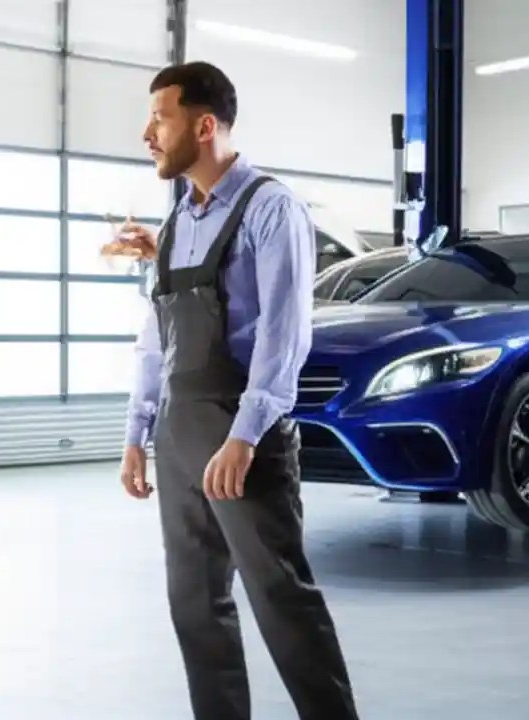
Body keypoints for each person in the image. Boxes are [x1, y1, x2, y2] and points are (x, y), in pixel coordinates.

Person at [117, 62, 360, 720]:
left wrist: (245, 436)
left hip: (240, 438)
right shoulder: (175, 225)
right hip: (178, 437)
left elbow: (285, 337)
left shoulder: (270, 209)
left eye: (159, 118)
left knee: (281, 600)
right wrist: (136, 433)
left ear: (204, 125)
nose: (148, 133)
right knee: (195, 607)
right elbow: (155, 336)